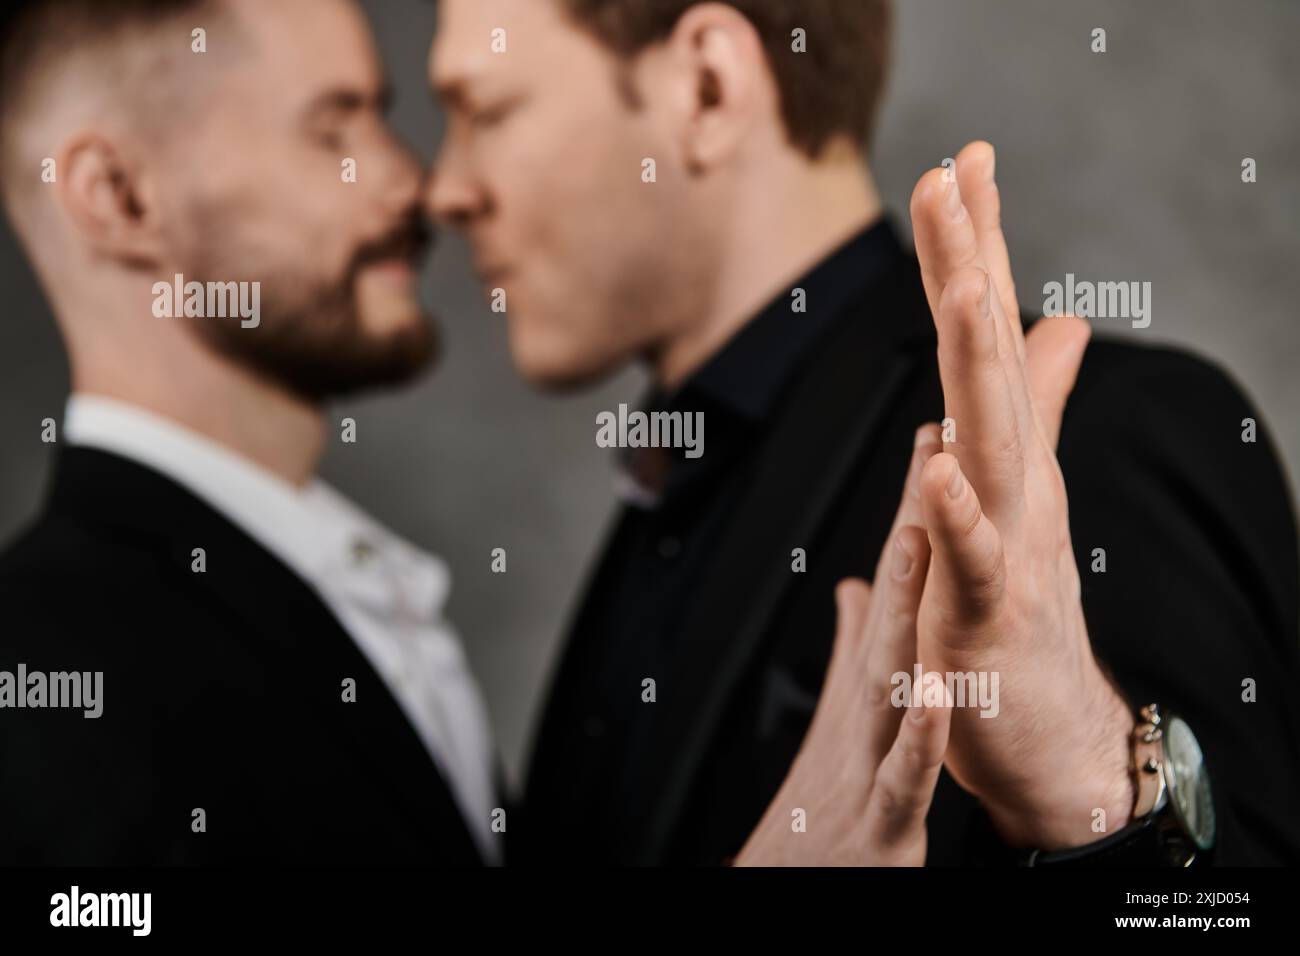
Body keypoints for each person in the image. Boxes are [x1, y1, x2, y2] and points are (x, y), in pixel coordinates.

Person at [0, 0, 952, 867]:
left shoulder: (368, 599)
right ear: (119, 196)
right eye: (332, 130)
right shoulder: (44, 682)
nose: (420, 185)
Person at [425, 0, 1300, 865]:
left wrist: (1085, 775)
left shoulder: (1111, 437)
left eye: (487, 111)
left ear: (706, 86)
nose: (445, 190)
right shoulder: (665, 491)